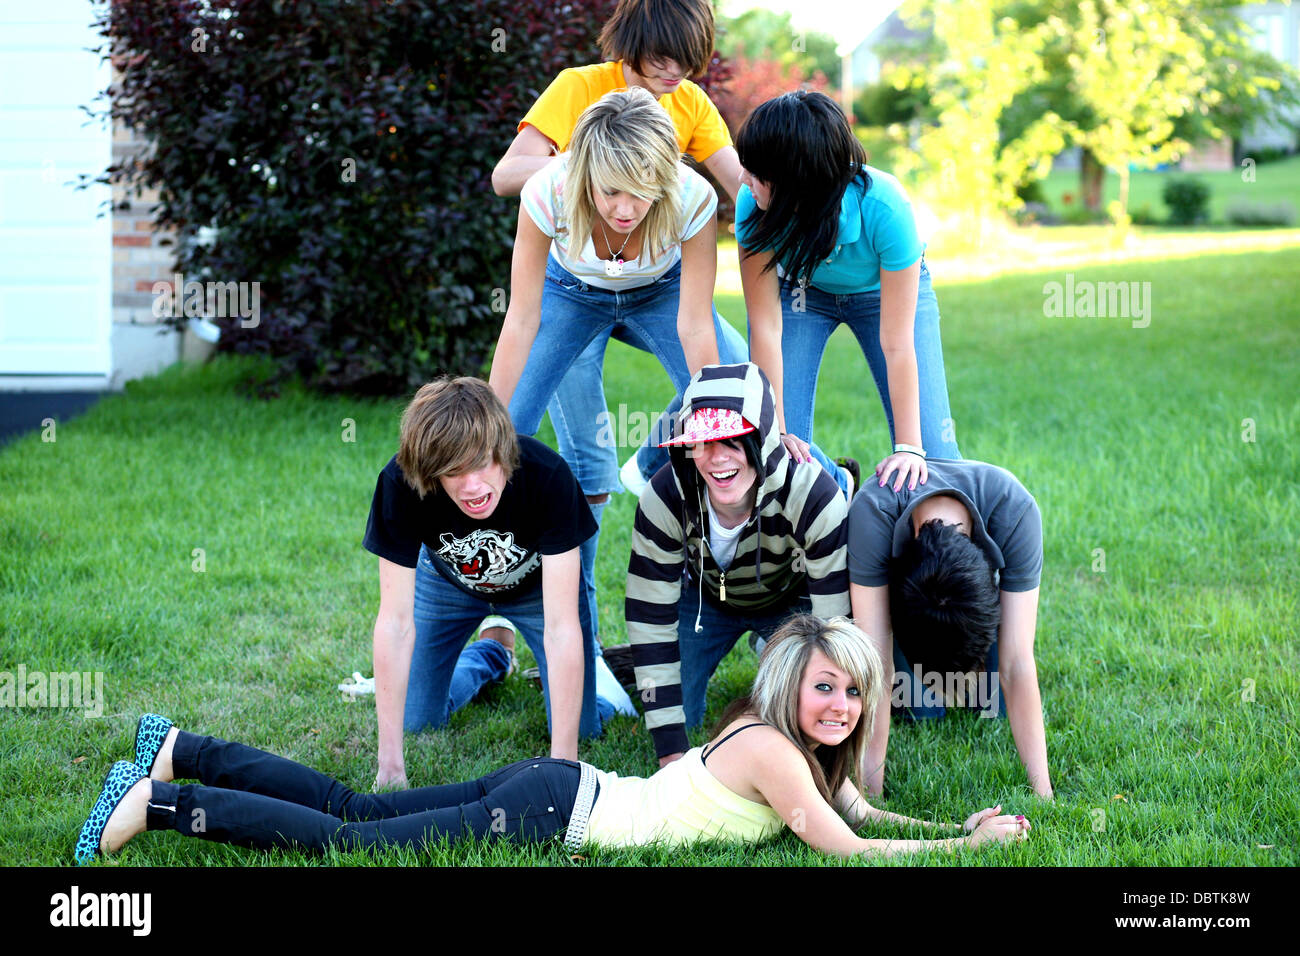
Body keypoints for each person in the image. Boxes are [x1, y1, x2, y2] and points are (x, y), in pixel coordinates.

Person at [76, 616, 1030, 863]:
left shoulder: (793, 750)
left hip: (559, 785)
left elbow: (859, 808)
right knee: (349, 841)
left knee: (354, 809)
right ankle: (160, 802)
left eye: (856, 694)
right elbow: (850, 847)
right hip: (551, 813)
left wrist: (954, 821)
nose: (844, 707)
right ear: (792, 687)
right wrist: (962, 849)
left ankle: (182, 747)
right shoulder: (775, 752)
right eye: (827, 688)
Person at [485, 0, 755, 686]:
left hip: (659, 286)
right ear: (629, 46)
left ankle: (761, 604)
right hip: (573, 287)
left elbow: (740, 189)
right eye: (658, 61)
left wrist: (809, 194)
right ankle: (529, 617)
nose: (670, 75)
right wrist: (589, 163)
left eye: (683, 64)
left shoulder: (689, 107)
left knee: (739, 387)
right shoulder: (580, 89)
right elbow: (506, 178)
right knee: (553, 452)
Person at [363, 376, 603, 790]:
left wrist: (564, 769)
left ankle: (605, 680)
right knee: (417, 719)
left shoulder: (548, 476)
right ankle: (493, 653)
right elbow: (395, 623)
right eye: (453, 472)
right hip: (446, 585)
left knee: (581, 729)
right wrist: (389, 765)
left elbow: (562, 627)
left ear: (502, 450)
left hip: (536, 591)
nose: (472, 486)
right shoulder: (399, 482)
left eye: (480, 463)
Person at [734, 89, 962, 498]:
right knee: (776, 455)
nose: (741, 180)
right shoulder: (752, 205)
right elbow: (765, 327)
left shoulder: (886, 207)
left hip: (882, 295)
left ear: (796, 183)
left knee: (935, 460)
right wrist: (780, 431)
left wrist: (910, 449)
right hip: (802, 291)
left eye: (756, 173)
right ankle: (838, 484)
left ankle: (954, 555)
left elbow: (897, 344)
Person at [625, 362, 851, 766]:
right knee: (674, 708)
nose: (716, 459)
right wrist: (671, 754)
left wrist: (828, 725)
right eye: (702, 442)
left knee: (790, 710)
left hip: (791, 601)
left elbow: (837, 626)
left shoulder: (813, 493)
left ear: (762, 440)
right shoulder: (664, 497)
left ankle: (775, 645)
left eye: (732, 441)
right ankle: (621, 662)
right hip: (705, 600)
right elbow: (648, 616)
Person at [848, 457, 1052, 799]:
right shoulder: (873, 512)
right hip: (917, 607)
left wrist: (1043, 792)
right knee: (921, 707)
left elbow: (1016, 664)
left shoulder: (1015, 510)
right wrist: (870, 794)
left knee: (994, 705)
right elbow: (876, 664)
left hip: (962, 609)